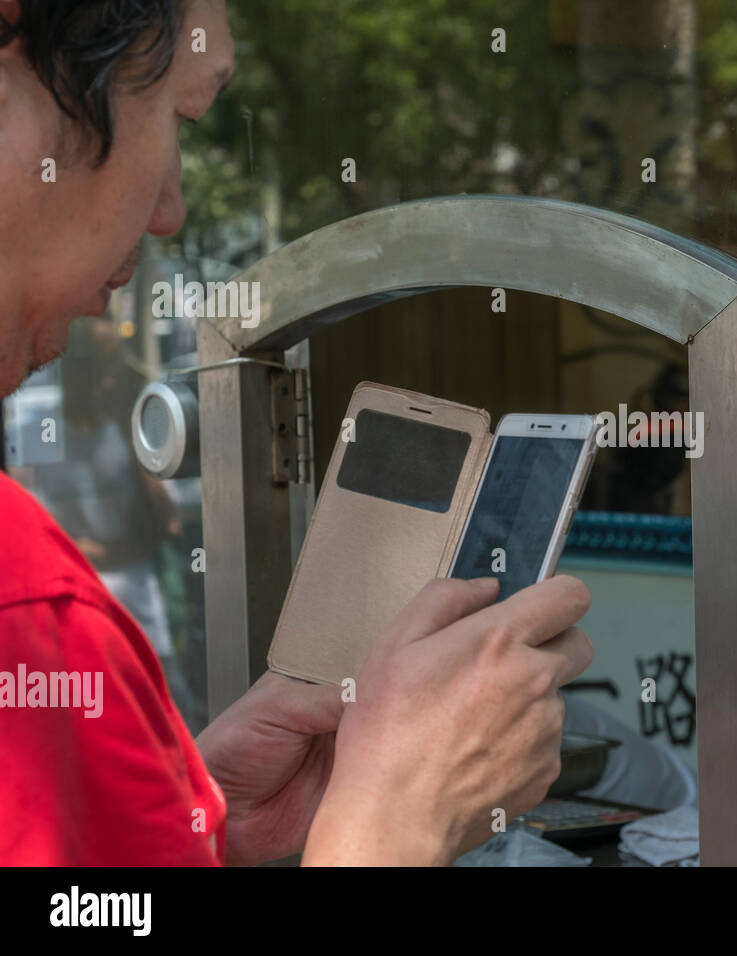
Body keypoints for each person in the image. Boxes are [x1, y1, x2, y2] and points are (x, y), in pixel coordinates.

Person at [0, 0, 593, 866]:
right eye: (181, 115)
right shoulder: (30, 608)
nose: (169, 206)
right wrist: (395, 824)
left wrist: (195, 823)